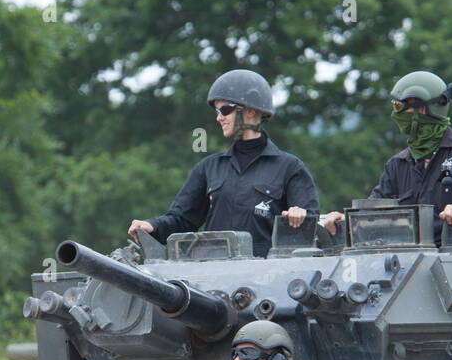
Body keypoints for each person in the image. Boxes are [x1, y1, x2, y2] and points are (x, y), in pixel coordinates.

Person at [128, 70, 319, 259]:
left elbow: (310, 229)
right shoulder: (208, 168)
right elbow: (182, 220)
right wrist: (152, 226)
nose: (219, 118)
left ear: (250, 111)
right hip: (213, 278)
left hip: (267, 279)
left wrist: (300, 215)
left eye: (225, 110)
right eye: (217, 112)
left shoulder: (290, 168)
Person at [323, 71, 452, 245]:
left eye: (405, 108)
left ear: (424, 109)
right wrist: (345, 219)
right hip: (404, 257)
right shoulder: (398, 164)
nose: (400, 116)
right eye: (397, 108)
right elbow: (372, 211)